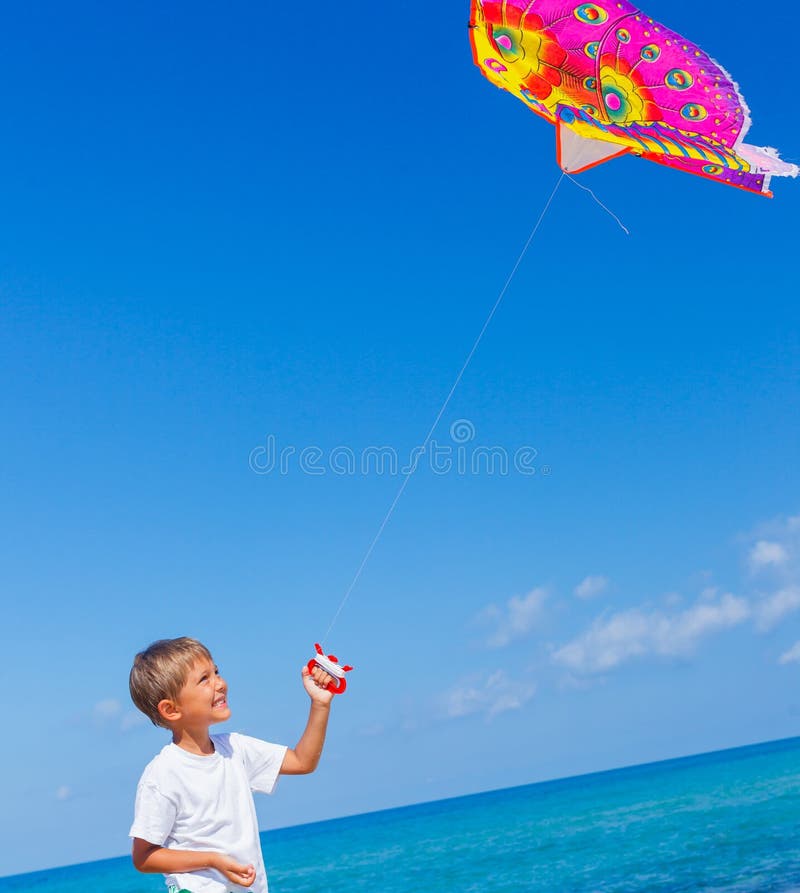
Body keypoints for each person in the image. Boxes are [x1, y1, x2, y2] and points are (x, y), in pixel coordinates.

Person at [128, 637, 335, 893]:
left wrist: (320, 704)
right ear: (171, 710)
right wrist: (212, 860)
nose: (220, 683)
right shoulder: (162, 775)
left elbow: (302, 761)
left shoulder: (235, 749)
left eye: (216, 672)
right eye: (204, 679)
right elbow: (144, 856)